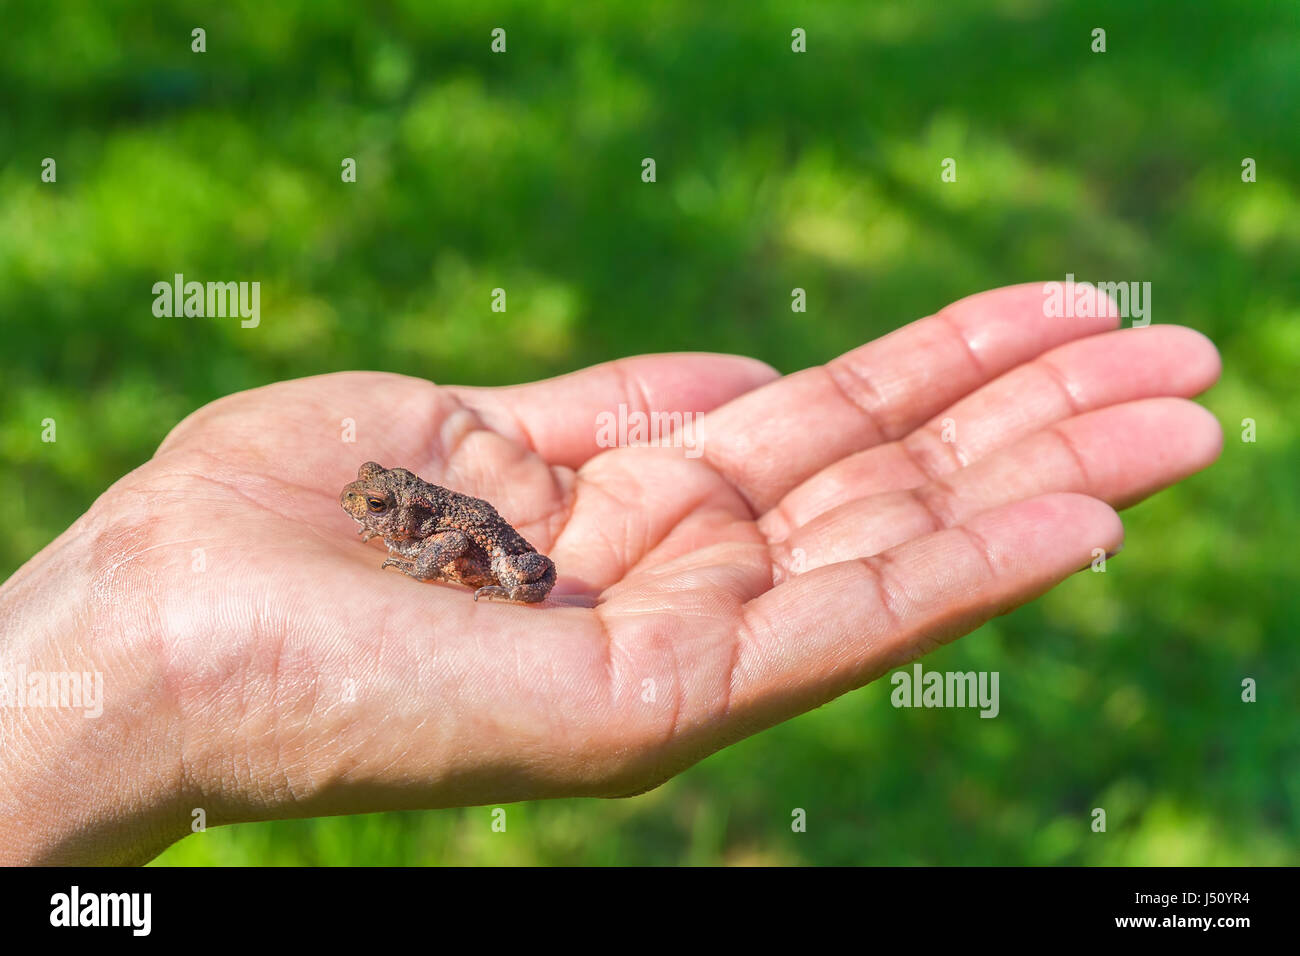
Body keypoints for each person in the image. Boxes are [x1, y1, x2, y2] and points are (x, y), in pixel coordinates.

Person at [0, 283, 1222, 865]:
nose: (370, 511)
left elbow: (467, 551)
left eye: (377, 501)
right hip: (490, 538)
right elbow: (429, 534)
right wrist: (149, 649)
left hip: (516, 557)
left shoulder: (439, 519)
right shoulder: (415, 509)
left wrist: (439, 564)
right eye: (375, 501)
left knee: (511, 568)